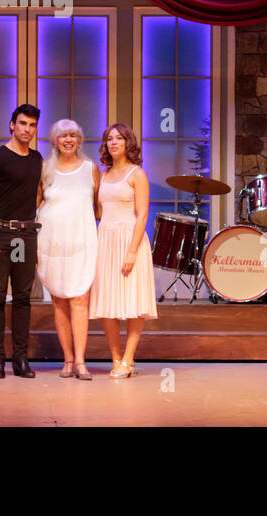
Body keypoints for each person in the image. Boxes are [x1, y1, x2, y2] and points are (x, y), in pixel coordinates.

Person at [0, 104, 43, 379]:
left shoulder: (37, 158)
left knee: (23, 298)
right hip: (0, 234)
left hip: (24, 236)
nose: (27, 129)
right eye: (23, 123)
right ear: (12, 125)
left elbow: (37, 193)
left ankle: (21, 360)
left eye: (32, 125)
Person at [88, 122, 157, 378]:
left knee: (132, 301)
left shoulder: (137, 174)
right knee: (108, 302)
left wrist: (131, 251)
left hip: (131, 240)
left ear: (129, 143)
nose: (114, 142)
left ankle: (129, 359)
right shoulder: (102, 175)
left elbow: (142, 215)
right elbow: (98, 211)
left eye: (119, 138)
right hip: (105, 240)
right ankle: (116, 358)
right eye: (109, 139)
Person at [36, 119, 99, 380]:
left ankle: (81, 361)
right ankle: (68, 359)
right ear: (55, 140)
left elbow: (99, 206)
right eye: (63, 136)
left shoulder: (90, 169)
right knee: (59, 301)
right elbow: (36, 203)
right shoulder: (45, 169)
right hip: (51, 243)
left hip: (82, 242)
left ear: (80, 140)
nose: (68, 140)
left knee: (80, 299)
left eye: (73, 135)